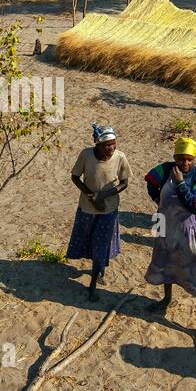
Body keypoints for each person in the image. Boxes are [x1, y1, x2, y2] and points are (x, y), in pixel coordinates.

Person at [144, 137, 196, 350]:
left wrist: (181, 183)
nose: (185, 164)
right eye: (181, 159)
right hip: (165, 225)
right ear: (174, 157)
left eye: (189, 160)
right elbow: (149, 179)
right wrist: (158, 200)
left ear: (194, 159)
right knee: (166, 262)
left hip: (189, 230)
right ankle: (166, 300)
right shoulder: (164, 169)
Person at [67, 123, 132, 300]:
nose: (110, 148)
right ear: (97, 144)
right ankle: (99, 268)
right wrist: (90, 195)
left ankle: (93, 284)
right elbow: (75, 176)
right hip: (87, 209)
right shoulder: (86, 155)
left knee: (101, 244)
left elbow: (124, 182)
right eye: (106, 145)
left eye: (113, 143)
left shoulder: (120, 157)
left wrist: (104, 195)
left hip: (108, 211)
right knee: (90, 241)